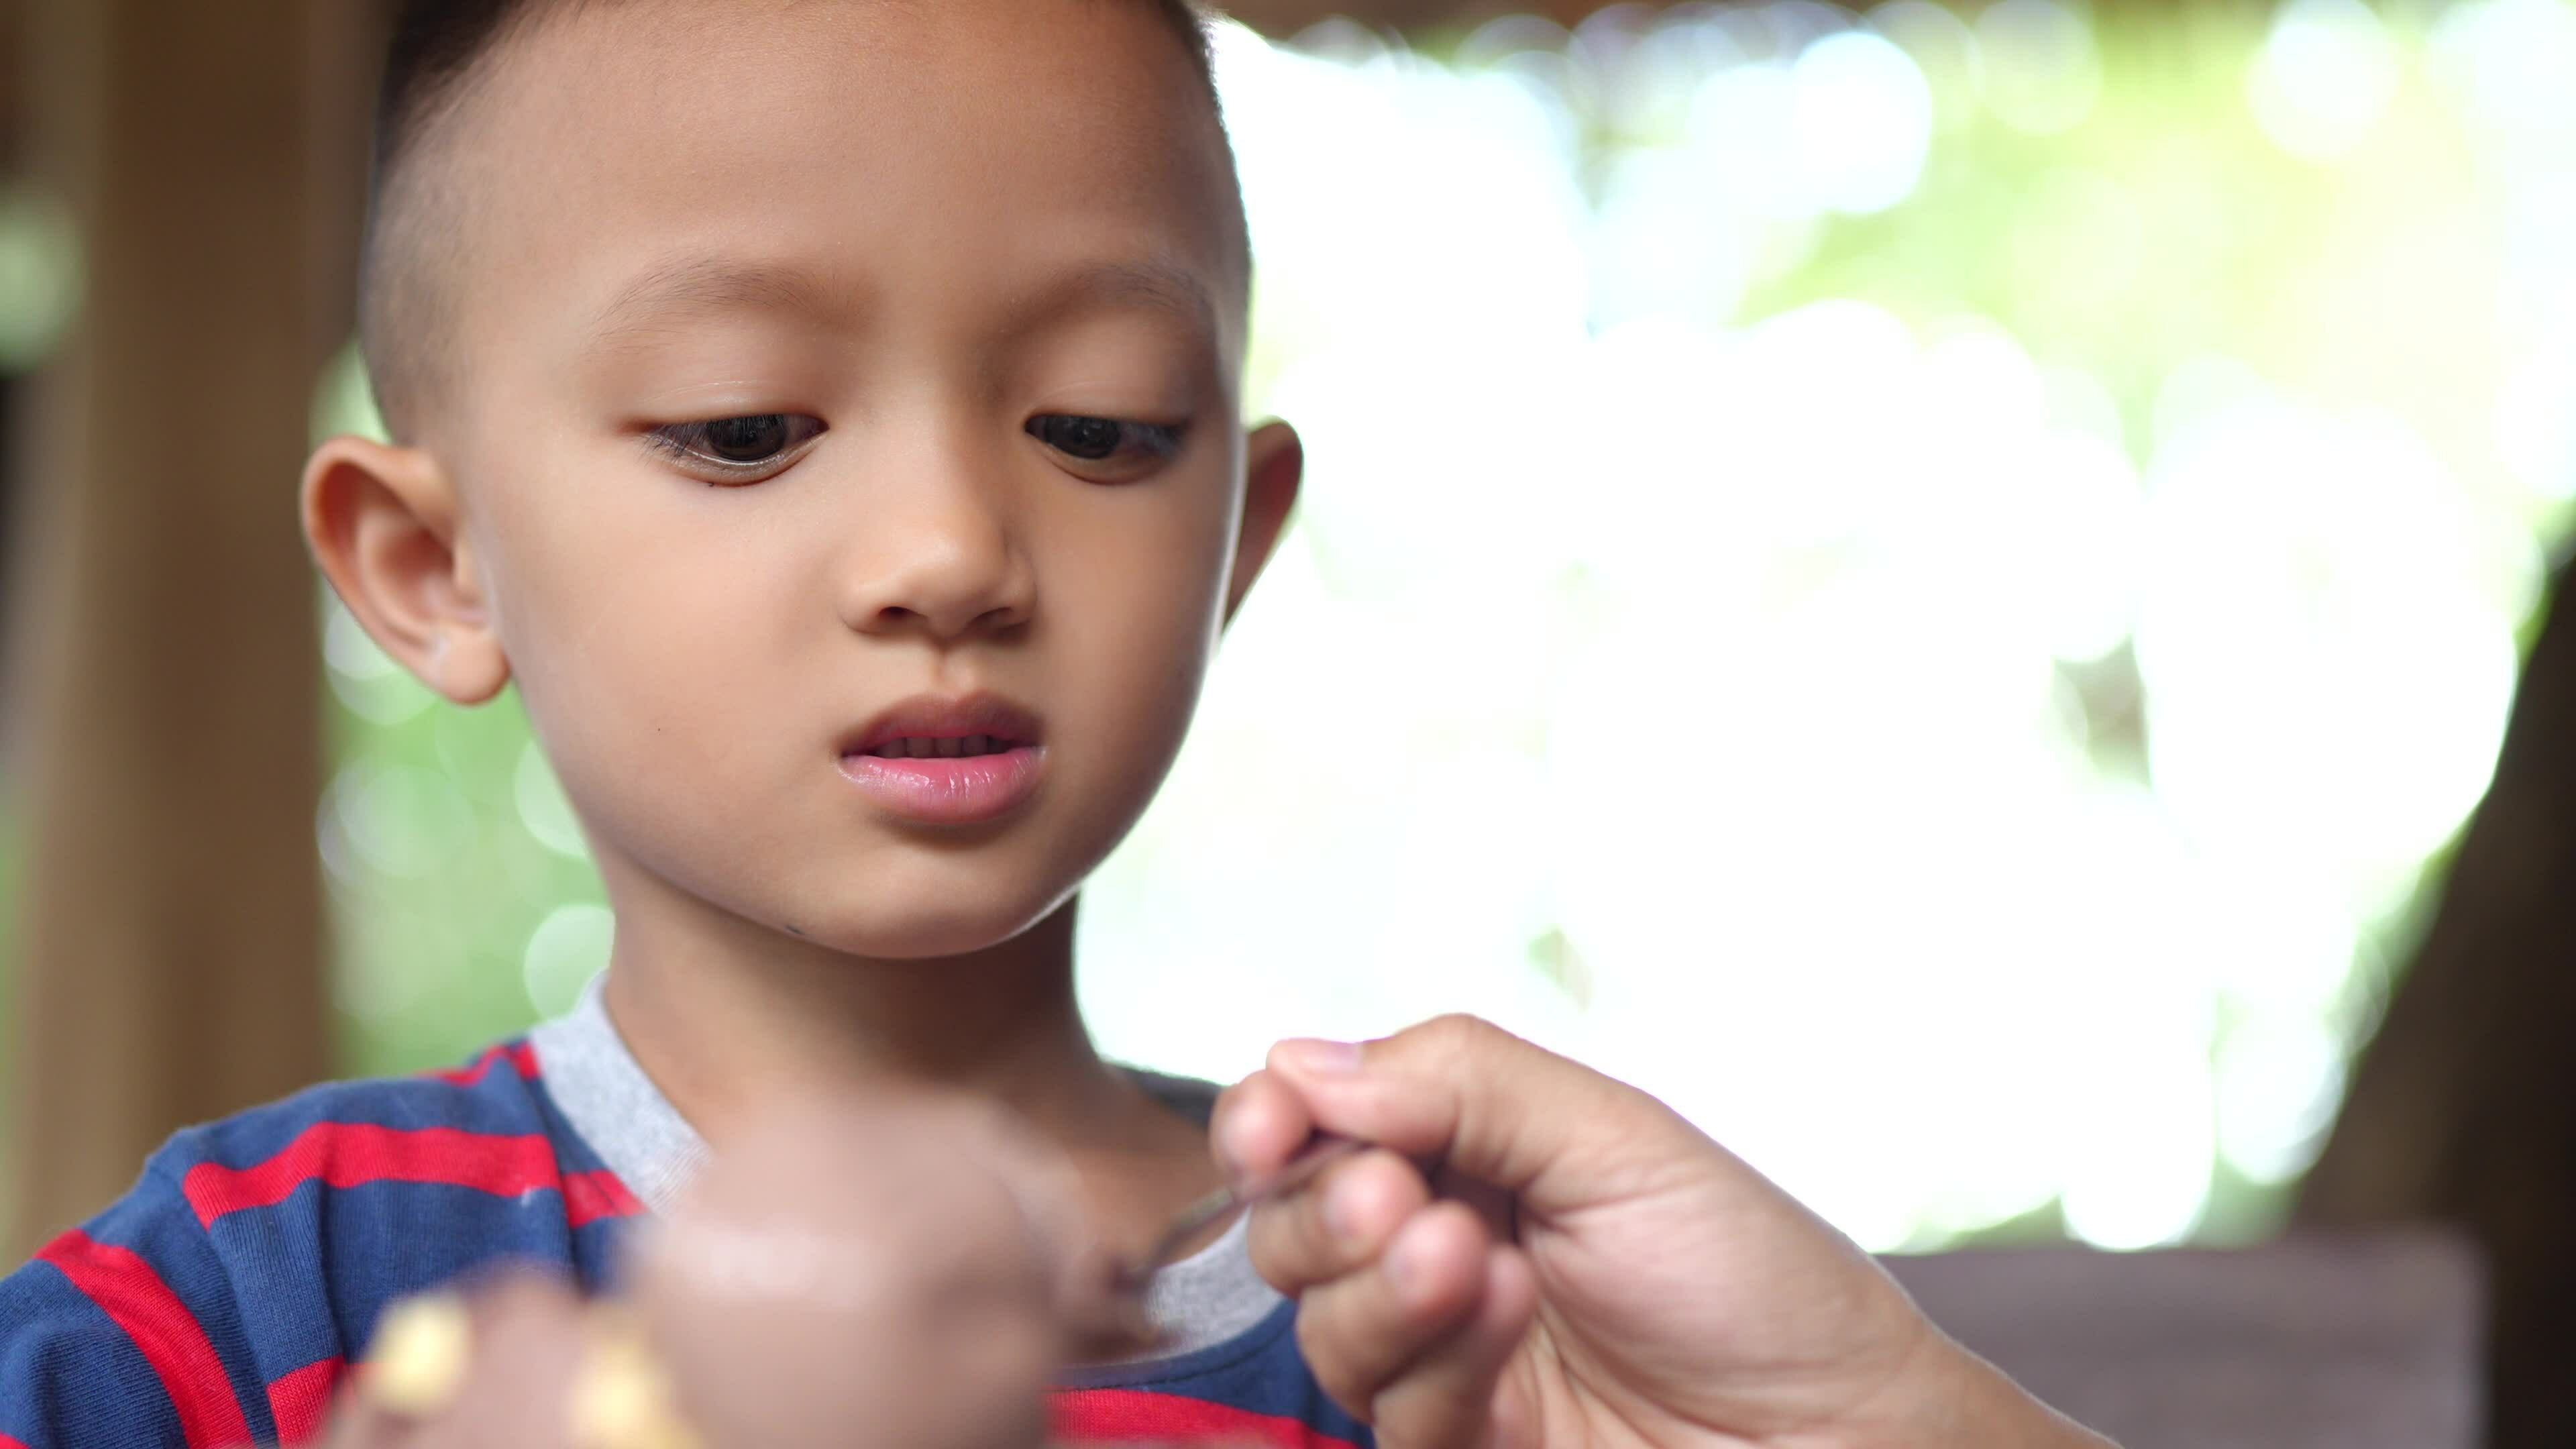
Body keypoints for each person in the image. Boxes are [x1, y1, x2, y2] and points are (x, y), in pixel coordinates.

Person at [0, 1, 2115, 1445]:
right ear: (427, 567)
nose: (947, 546)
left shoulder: (1442, 1341)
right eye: (749, 426)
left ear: (1240, 535)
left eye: (1098, 427)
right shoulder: (252, 1307)